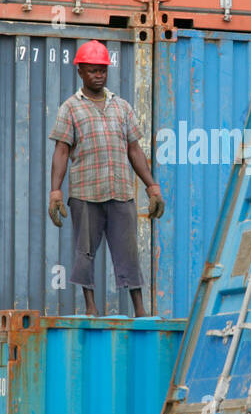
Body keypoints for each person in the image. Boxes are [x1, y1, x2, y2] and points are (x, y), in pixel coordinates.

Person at [48, 39, 165, 316]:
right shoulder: (70, 108)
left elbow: (134, 149)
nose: (98, 75)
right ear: (80, 72)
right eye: (92, 70)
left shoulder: (121, 107)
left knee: (129, 253)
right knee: (84, 252)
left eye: (102, 70)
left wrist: (152, 187)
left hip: (121, 192)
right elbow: (61, 150)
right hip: (86, 194)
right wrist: (55, 191)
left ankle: (140, 310)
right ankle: (90, 307)